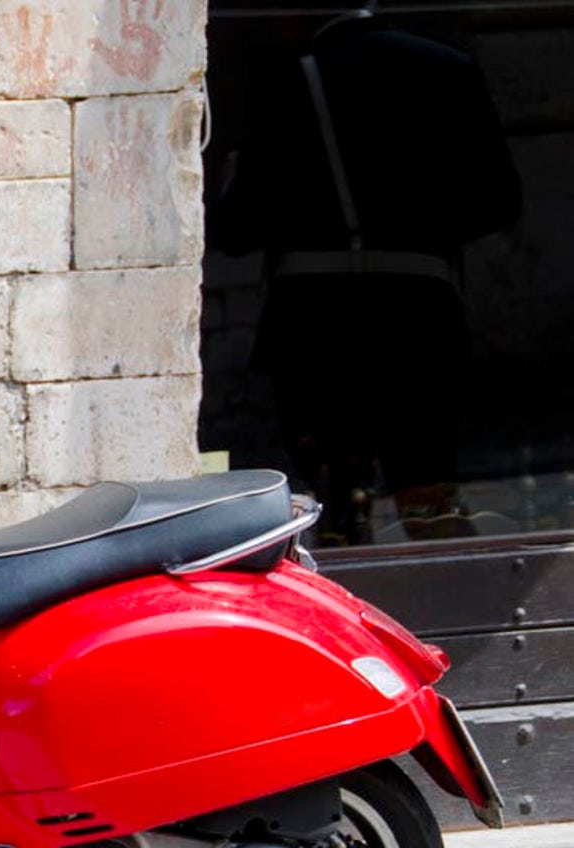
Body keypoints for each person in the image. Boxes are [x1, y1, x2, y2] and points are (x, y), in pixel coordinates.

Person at [213, 8, 521, 543]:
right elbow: (499, 201)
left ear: (293, 18)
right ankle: (453, 595)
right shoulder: (449, 67)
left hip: (316, 319)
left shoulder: (288, 81)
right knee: (428, 491)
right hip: (419, 310)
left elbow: (236, 230)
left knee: (335, 503)